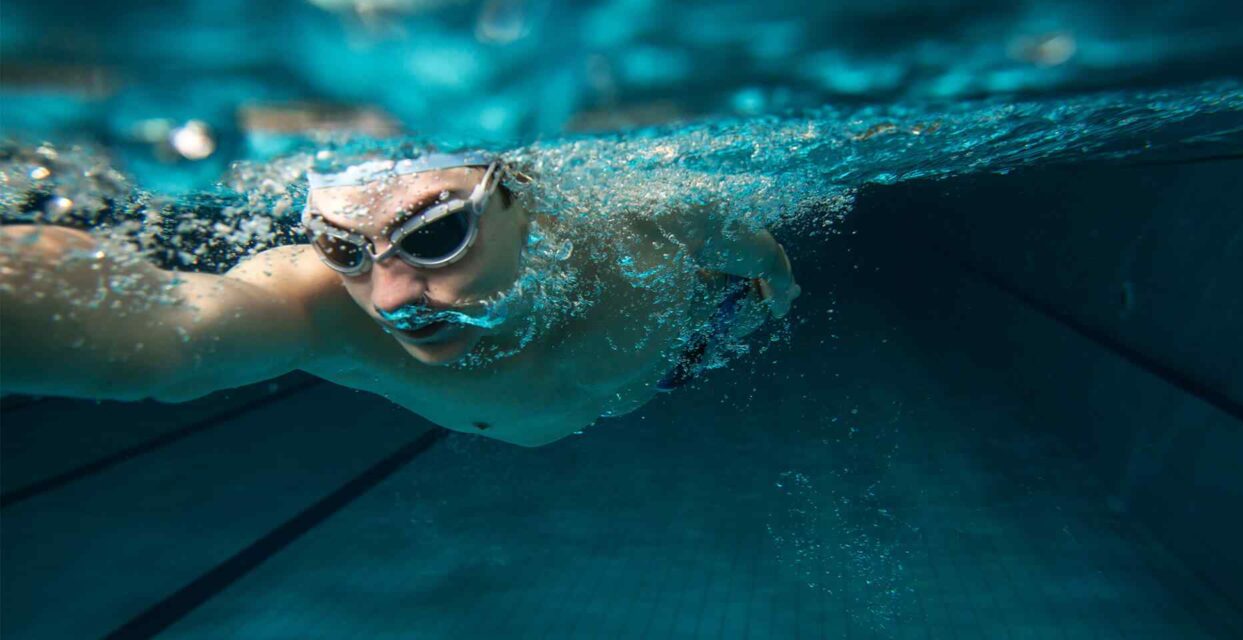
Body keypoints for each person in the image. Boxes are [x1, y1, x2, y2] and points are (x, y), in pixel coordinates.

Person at [0, 152, 799, 447]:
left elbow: (753, 251)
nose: (386, 296)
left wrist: (781, 289)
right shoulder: (319, 309)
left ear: (521, 190)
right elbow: (169, 339)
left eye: (434, 234)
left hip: (694, 343)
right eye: (343, 248)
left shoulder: (654, 217)